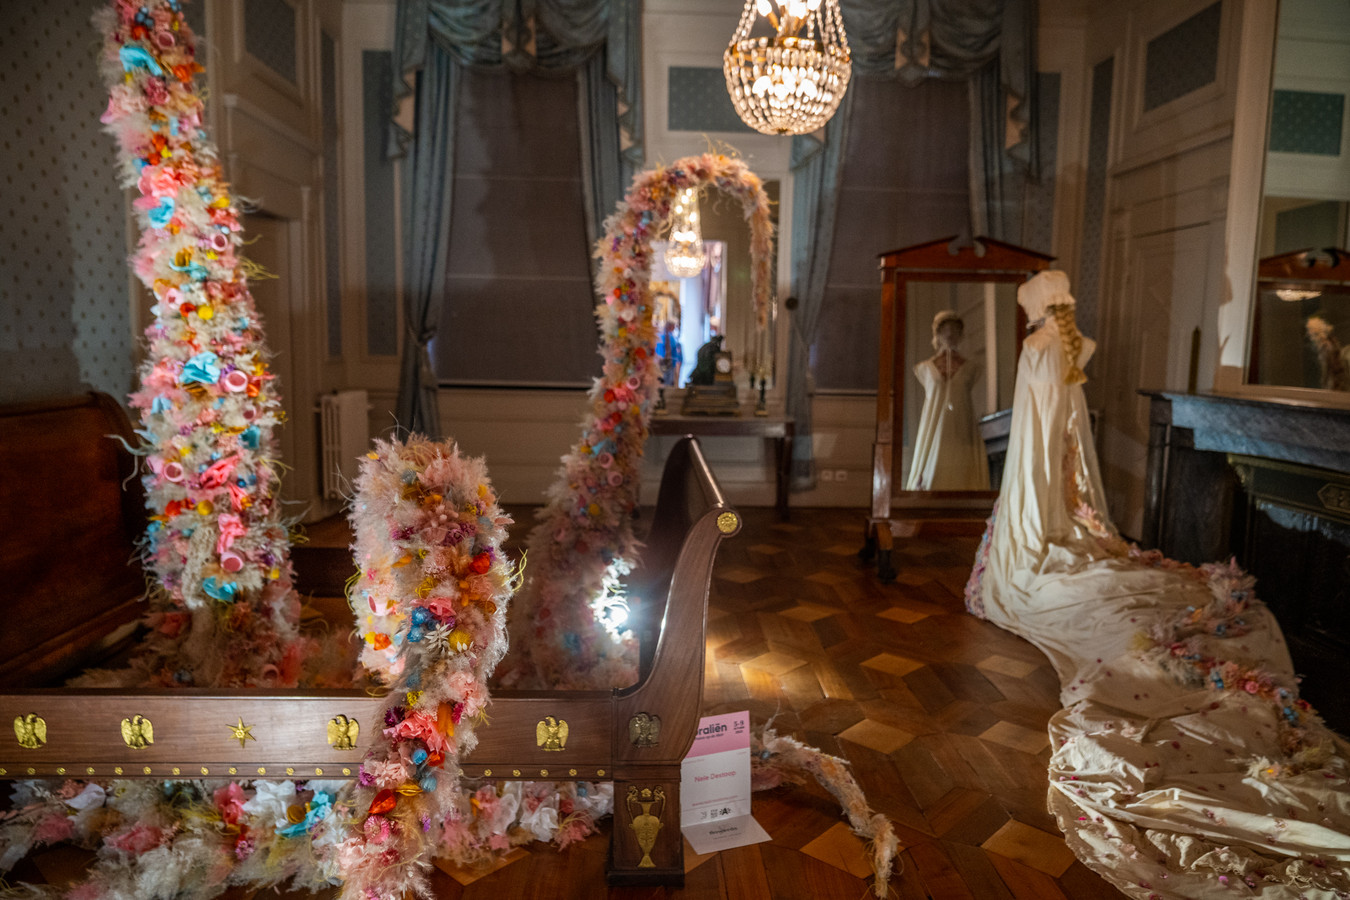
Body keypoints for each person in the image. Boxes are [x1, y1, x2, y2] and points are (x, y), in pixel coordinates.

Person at [965, 270, 1350, 898]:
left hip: (1039, 482)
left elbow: (1034, 434)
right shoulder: (1069, 344)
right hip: (1055, 480)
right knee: (1108, 569)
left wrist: (1031, 510)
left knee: (1062, 580)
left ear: (1033, 305)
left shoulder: (1038, 345)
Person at [905, 311, 989, 490]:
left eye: (955, 329)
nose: (950, 333)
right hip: (934, 428)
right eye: (945, 329)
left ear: (961, 333)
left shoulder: (971, 368)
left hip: (962, 431)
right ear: (938, 333)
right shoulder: (925, 368)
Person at [655, 321, 682, 387]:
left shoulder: (665, 336)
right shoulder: (665, 337)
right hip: (666, 362)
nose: (674, 329)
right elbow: (661, 350)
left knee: (666, 381)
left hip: (667, 362)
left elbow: (673, 351)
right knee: (666, 382)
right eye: (673, 327)